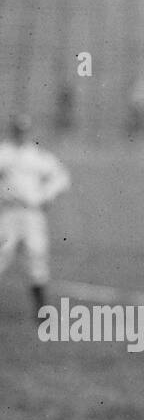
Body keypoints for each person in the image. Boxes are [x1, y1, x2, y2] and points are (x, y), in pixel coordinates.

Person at [0, 115, 71, 317]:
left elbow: (62, 177)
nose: (21, 134)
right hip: (9, 213)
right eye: (18, 130)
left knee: (36, 256)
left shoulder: (37, 156)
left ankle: (41, 311)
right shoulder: (4, 153)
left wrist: (45, 196)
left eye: (24, 131)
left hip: (32, 214)